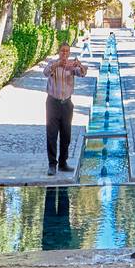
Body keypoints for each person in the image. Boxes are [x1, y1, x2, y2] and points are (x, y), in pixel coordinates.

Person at [42, 41, 87, 176]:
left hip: (67, 104)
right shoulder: (52, 64)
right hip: (52, 103)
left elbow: (83, 73)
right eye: (62, 51)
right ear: (59, 51)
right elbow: (45, 72)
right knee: (52, 134)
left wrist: (79, 64)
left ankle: (63, 163)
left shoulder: (71, 66)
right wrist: (57, 65)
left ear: (69, 53)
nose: (64, 54)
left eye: (67, 51)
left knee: (66, 135)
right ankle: (52, 165)